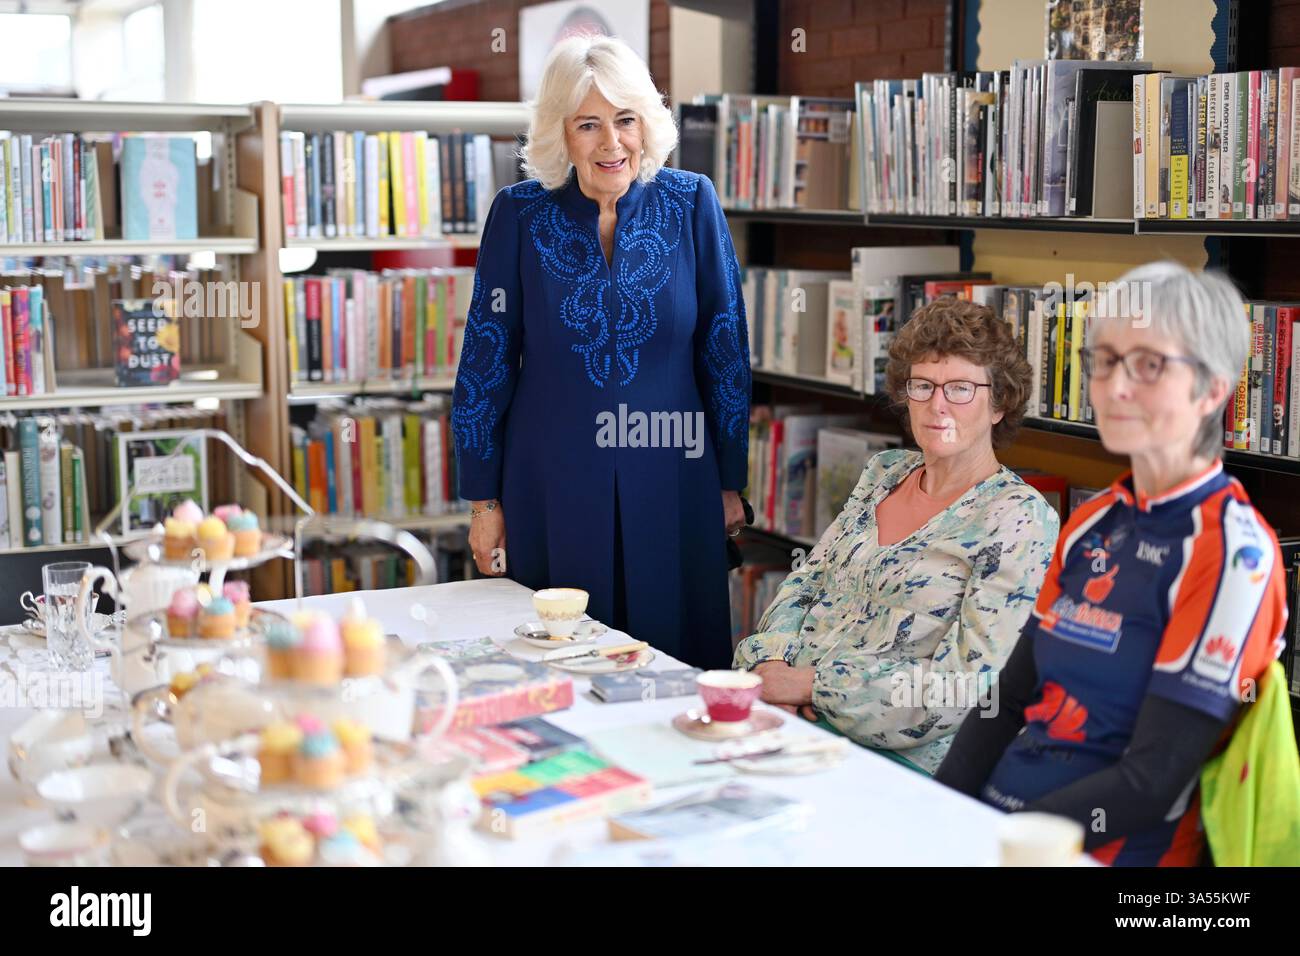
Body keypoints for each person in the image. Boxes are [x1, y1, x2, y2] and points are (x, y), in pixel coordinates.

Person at [936, 262, 1290, 865]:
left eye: (1149, 364)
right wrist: (936, 813)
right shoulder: (1093, 522)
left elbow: (1151, 782)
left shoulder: (1234, 553)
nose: (1114, 386)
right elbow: (1007, 702)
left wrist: (1001, 838)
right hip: (1000, 833)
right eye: (1103, 360)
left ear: (1212, 388)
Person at [451, 34, 750, 668]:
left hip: (674, 469)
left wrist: (730, 482)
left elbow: (724, 349)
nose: (612, 142)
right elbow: (486, 360)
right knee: (556, 661)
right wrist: (484, 502)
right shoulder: (519, 214)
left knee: (673, 659)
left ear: (647, 124)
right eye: (589, 124)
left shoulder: (691, 202)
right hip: (549, 479)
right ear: (561, 134)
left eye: (625, 120)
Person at [734, 297, 1059, 773]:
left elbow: (965, 686)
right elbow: (803, 585)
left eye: (961, 389)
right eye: (923, 385)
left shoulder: (1019, 518)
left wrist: (811, 687)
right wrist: (770, 668)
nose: (937, 405)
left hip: (895, 762)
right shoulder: (883, 473)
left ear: (1000, 403)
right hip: (787, 721)